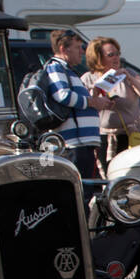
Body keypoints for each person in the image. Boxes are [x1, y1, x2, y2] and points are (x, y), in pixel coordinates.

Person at [43, 30, 113, 178]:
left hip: (82, 142)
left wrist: (94, 99)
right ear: (63, 48)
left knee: (86, 187)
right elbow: (63, 95)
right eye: (77, 47)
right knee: (81, 188)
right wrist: (93, 102)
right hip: (74, 144)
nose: (82, 52)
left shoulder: (67, 70)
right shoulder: (56, 67)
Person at [82, 36, 140, 168]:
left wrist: (130, 78)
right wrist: (107, 82)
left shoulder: (127, 74)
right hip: (105, 138)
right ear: (98, 57)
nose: (116, 58)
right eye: (110, 55)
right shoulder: (88, 78)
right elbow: (88, 105)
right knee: (109, 174)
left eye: (117, 54)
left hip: (132, 134)